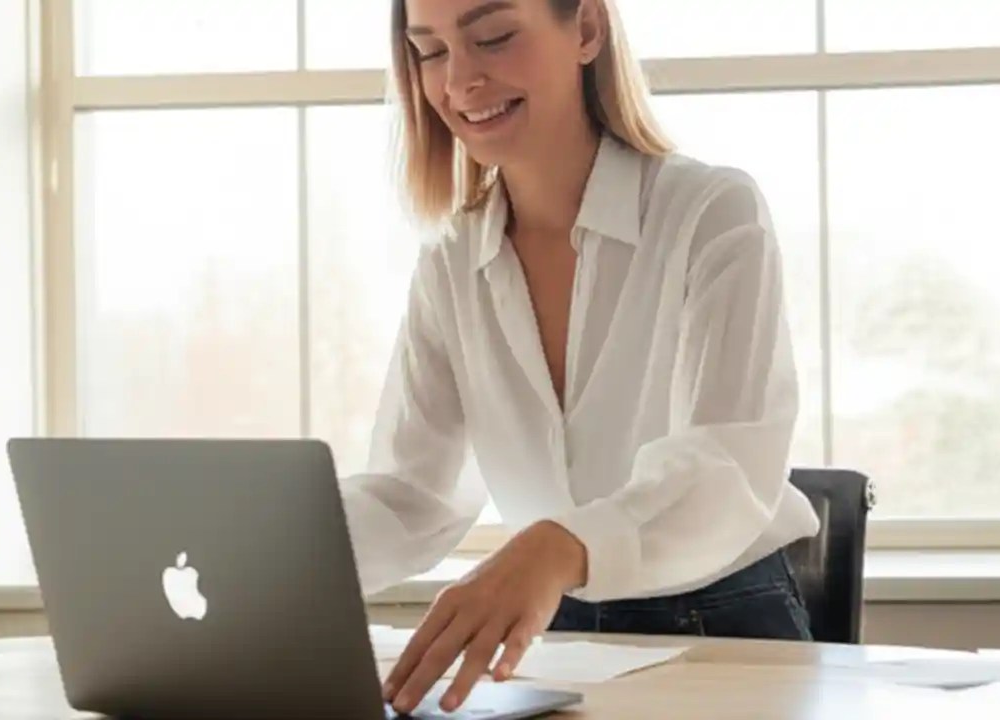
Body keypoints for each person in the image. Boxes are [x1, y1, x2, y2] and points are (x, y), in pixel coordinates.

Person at [337, 0, 822, 713]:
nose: (460, 81)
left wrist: (556, 546)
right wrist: (273, 561)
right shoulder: (449, 260)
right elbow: (415, 495)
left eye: (495, 37)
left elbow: (728, 464)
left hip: (724, 624)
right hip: (552, 637)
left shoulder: (712, 212)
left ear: (587, 30)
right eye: (430, 52)